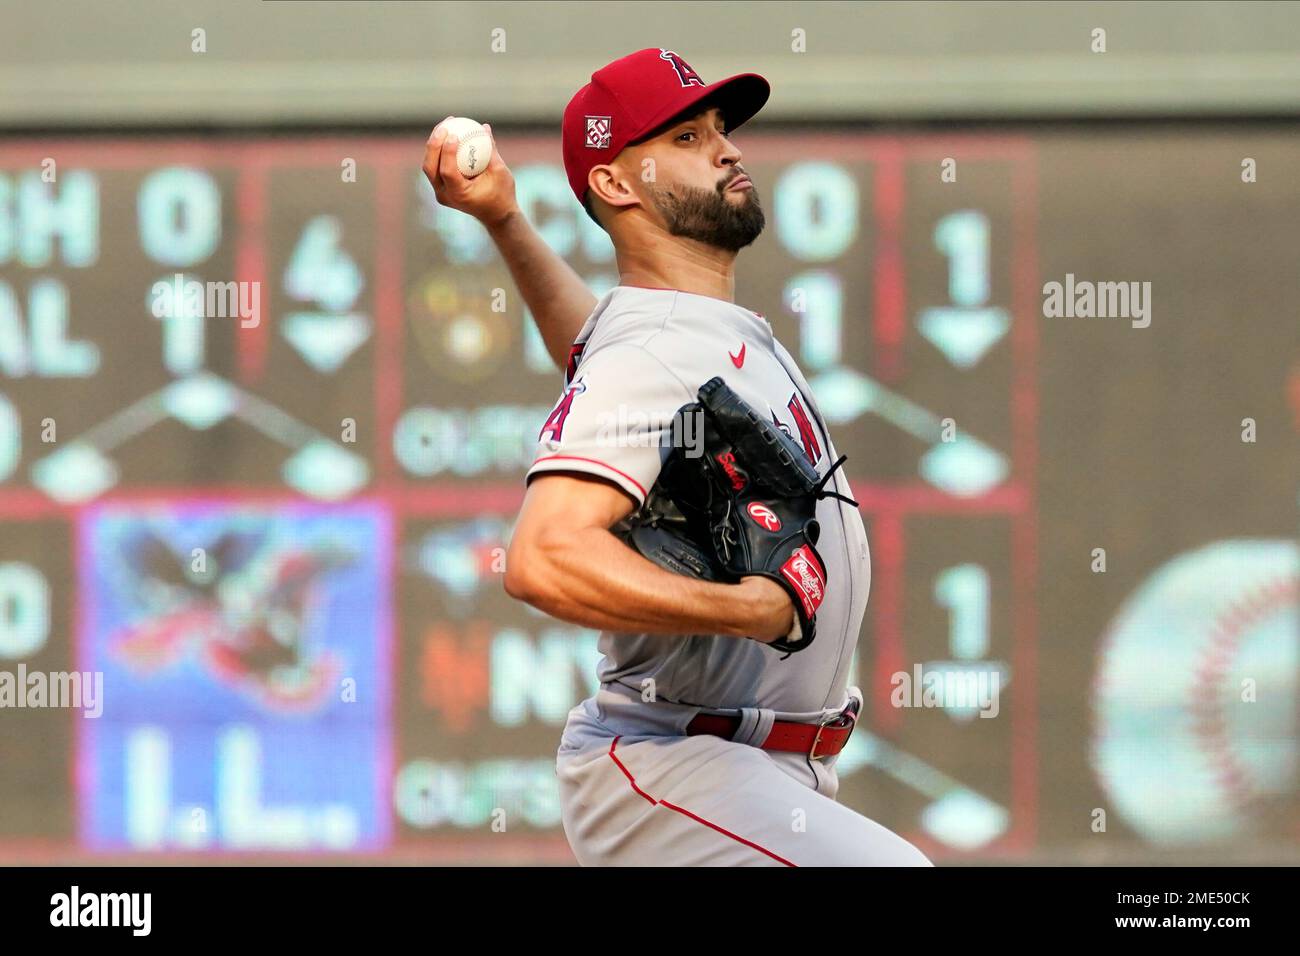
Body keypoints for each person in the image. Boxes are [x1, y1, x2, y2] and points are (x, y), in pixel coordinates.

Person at [423, 47, 931, 867]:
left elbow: (597, 352)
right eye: (687, 138)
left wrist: (505, 220)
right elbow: (543, 558)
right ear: (618, 185)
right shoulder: (658, 346)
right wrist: (754, 610)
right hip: (678, 763)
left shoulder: (673, 336)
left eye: (720, 130)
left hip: (752, 772)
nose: (727, 149)